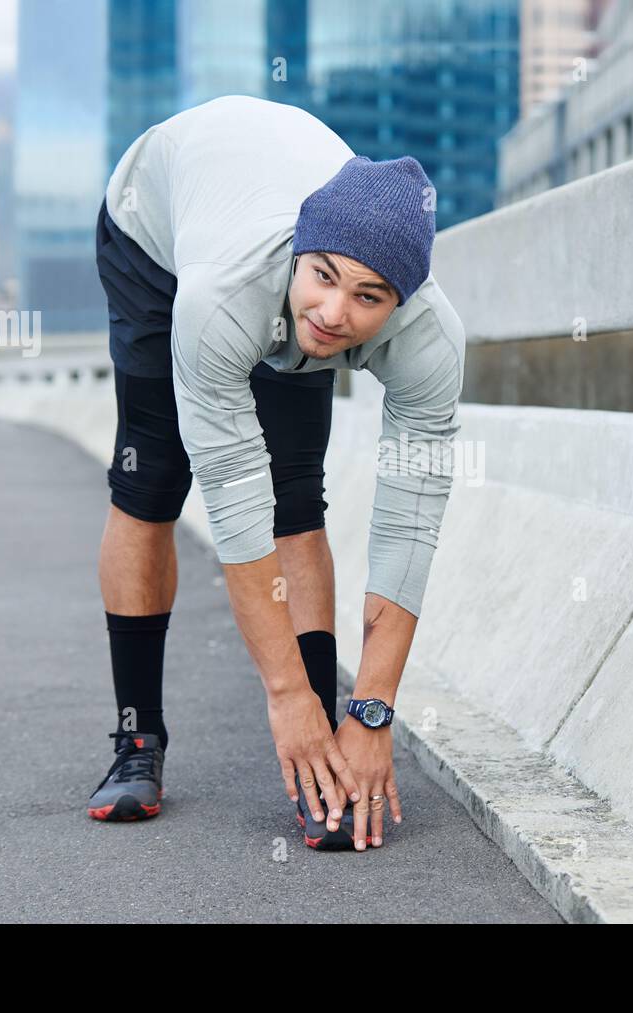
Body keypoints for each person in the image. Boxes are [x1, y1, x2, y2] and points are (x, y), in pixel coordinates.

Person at [87, 94, 466, 852]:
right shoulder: (222, 298)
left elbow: (409, 521)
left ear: (402, 304)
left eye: (368, 298)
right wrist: (283, 694)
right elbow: (233, 501)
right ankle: (138, 741)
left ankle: (326, 750)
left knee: (298, 495)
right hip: (155, 235)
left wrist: (372, 711)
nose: (332, 312)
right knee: (153, 480)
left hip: (260, 233)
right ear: (302, 252)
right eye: (324, 277)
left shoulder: (430, 341)